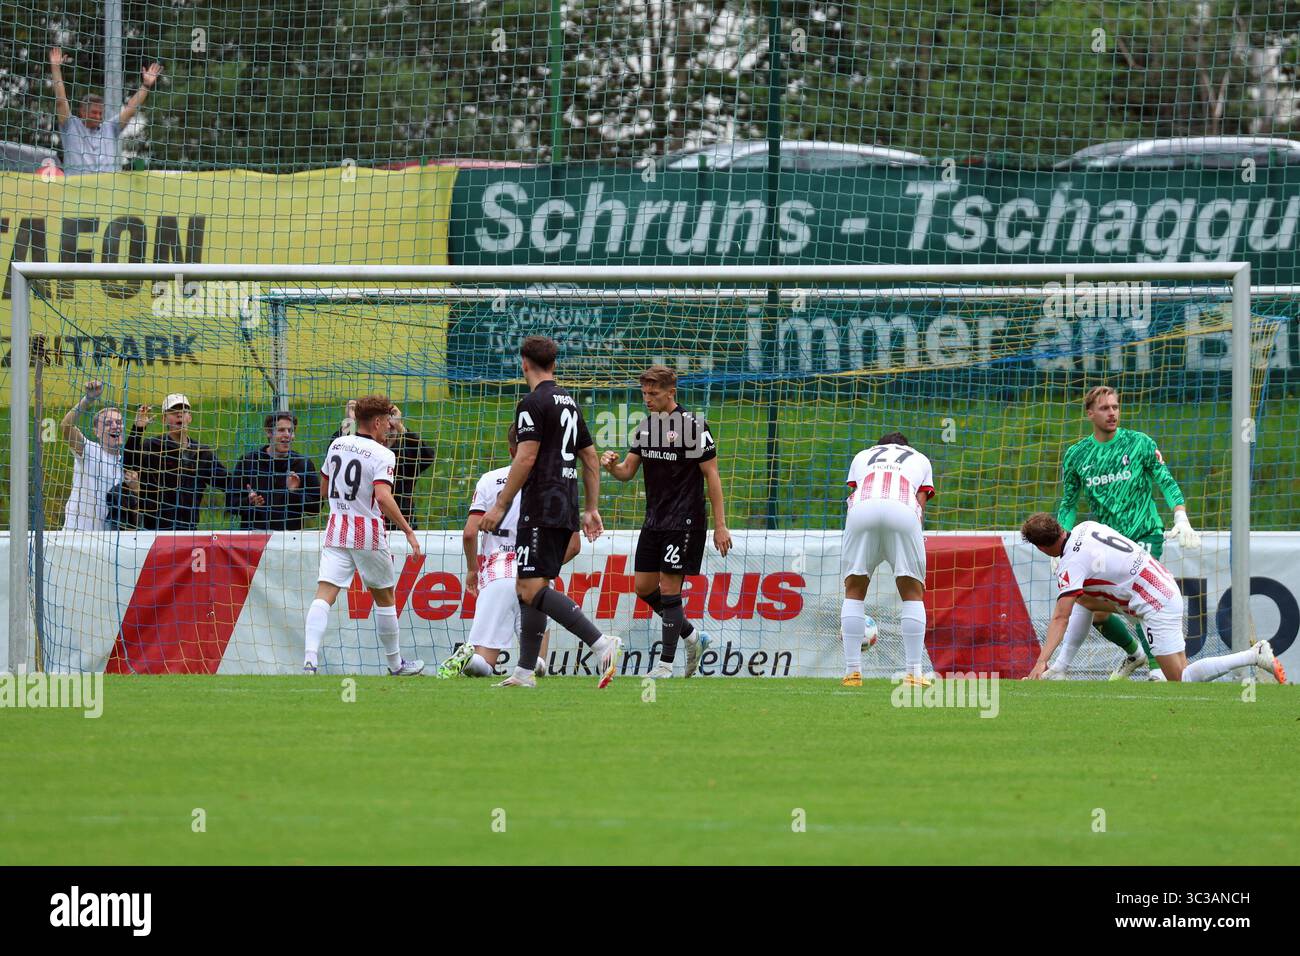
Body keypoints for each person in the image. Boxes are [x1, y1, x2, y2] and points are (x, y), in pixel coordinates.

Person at [479, 335, 622, 689]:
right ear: (554, 365)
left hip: (540, 505)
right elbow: (590, 457)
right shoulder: (569, 403)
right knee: (529, 585)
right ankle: (525, 672)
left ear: (524, 363)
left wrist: (500, 504)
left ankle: (601, 643)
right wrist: (590, 508)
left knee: (530, 587)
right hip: (566, 504)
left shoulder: (532, 402)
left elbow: (526, 456)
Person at [1020, 513, 1285, 684]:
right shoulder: (1086, 526)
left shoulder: (1070, 564)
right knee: (1083, 598)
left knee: (1181, 679)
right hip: (1160, 581)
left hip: (1155, 603)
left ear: (1042, 548)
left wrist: (1041, 660)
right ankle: (1061, 669)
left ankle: (1253, 655)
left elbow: (1060, 617)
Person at [1055, 385, 1202, 682]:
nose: (1112, 413)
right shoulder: (1076, 455)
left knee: (1141, 600)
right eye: (1105, 408)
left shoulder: (1140, 444)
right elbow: (1068, 503)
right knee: (1099, 615)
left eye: (1116, 407)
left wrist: (1181, 516)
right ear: (1090, 413)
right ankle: (1134, 653)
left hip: (1146, 533)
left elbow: (1167, 481)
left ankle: (1157, 670)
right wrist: (1063, 543)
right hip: (1110, 544)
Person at [600, 364, 731, 678]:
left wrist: (720, 524)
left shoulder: (694, 426)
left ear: (671, 392)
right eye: (644, 393)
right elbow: (627, 473)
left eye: (653, 393)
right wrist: (611, 466)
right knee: (644, 587)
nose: (647, 398)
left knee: (671, 591)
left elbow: (711, 475)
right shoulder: (645, 427)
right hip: (654, 520)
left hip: (684, 521)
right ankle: (692, 637)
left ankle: (665, 666)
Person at [440, 424, 581, 678]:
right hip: (532, 569)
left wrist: (473, 570)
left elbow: (470, 533)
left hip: (496, 571)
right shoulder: (554, 482)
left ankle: (474, 661)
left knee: (485, 661)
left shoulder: (489, 479)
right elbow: (574, 546)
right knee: (536, 653)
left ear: (510, 450)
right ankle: (535, 663)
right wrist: (547, 565)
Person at [303, 395, 424, 676]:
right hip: (367, 533)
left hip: (336, 529)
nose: (390, 429)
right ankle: (395, 665)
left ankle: (310, 659)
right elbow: (383, 496)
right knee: (385, 598)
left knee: (324, 595)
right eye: (388, 424)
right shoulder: (383, 454)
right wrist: (408, 531)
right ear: (378, 422)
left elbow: (323, 489)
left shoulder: (338, 444)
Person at [839, 431, 936, 688]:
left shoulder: (862, 456)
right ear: (906, 448)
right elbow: (920, 503)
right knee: (912, 594)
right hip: (902, 510)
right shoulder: (920, 459)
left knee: (854, 591)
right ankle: (914, 672)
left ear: (878, 447)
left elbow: (856, 492)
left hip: (862, 510)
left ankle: (852, 672)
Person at [124, 393, 237, 530]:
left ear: (189, 418)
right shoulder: (152, 447)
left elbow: (227, 482)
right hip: (156, 531)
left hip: (188, 531)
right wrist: (138, 429)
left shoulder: (202, 452)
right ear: (164, 419)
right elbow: (129, 464)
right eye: (173, 411)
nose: (179, 414)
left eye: (184, 411)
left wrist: (250, 488)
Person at [49, 47, 161, 176]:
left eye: (100, 113)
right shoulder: (70, 126)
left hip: (106, 192)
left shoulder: (110, 128)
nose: (98, 116)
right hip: (77, 191)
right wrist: (56, 68)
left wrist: (145, 86)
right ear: (82, 112)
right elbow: (61, 101)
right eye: (94, 113)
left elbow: (130, 110)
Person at [330, 401, 434, 527]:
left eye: (392, 427)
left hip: (399, 525)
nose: (388, 431)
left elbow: (427, 456)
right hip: (362, 523)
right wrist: (350, 422)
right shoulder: (362, 451)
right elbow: (339, 448)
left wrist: (400, 426)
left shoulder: (405, 454)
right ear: (376, 426)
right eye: (385, 427)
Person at [229, 412, 322, 530]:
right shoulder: (248, 462)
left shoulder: (303, 464)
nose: (287, 434)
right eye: (281, 430)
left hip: (290, 540)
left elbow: (316, 508)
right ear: (268, 432)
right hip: (254, 540)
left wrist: (294, 493)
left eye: (291, 430)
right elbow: (230, 504)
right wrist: (249, 502)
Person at [59, 379, 126, 530]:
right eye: (108, 424)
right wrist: (88, 400)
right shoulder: (89, 450)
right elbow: (66, 427)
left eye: (119, 422)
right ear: (96, 432)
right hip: (76, 535)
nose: (116, 427)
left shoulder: (126, 464)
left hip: (105, 539)